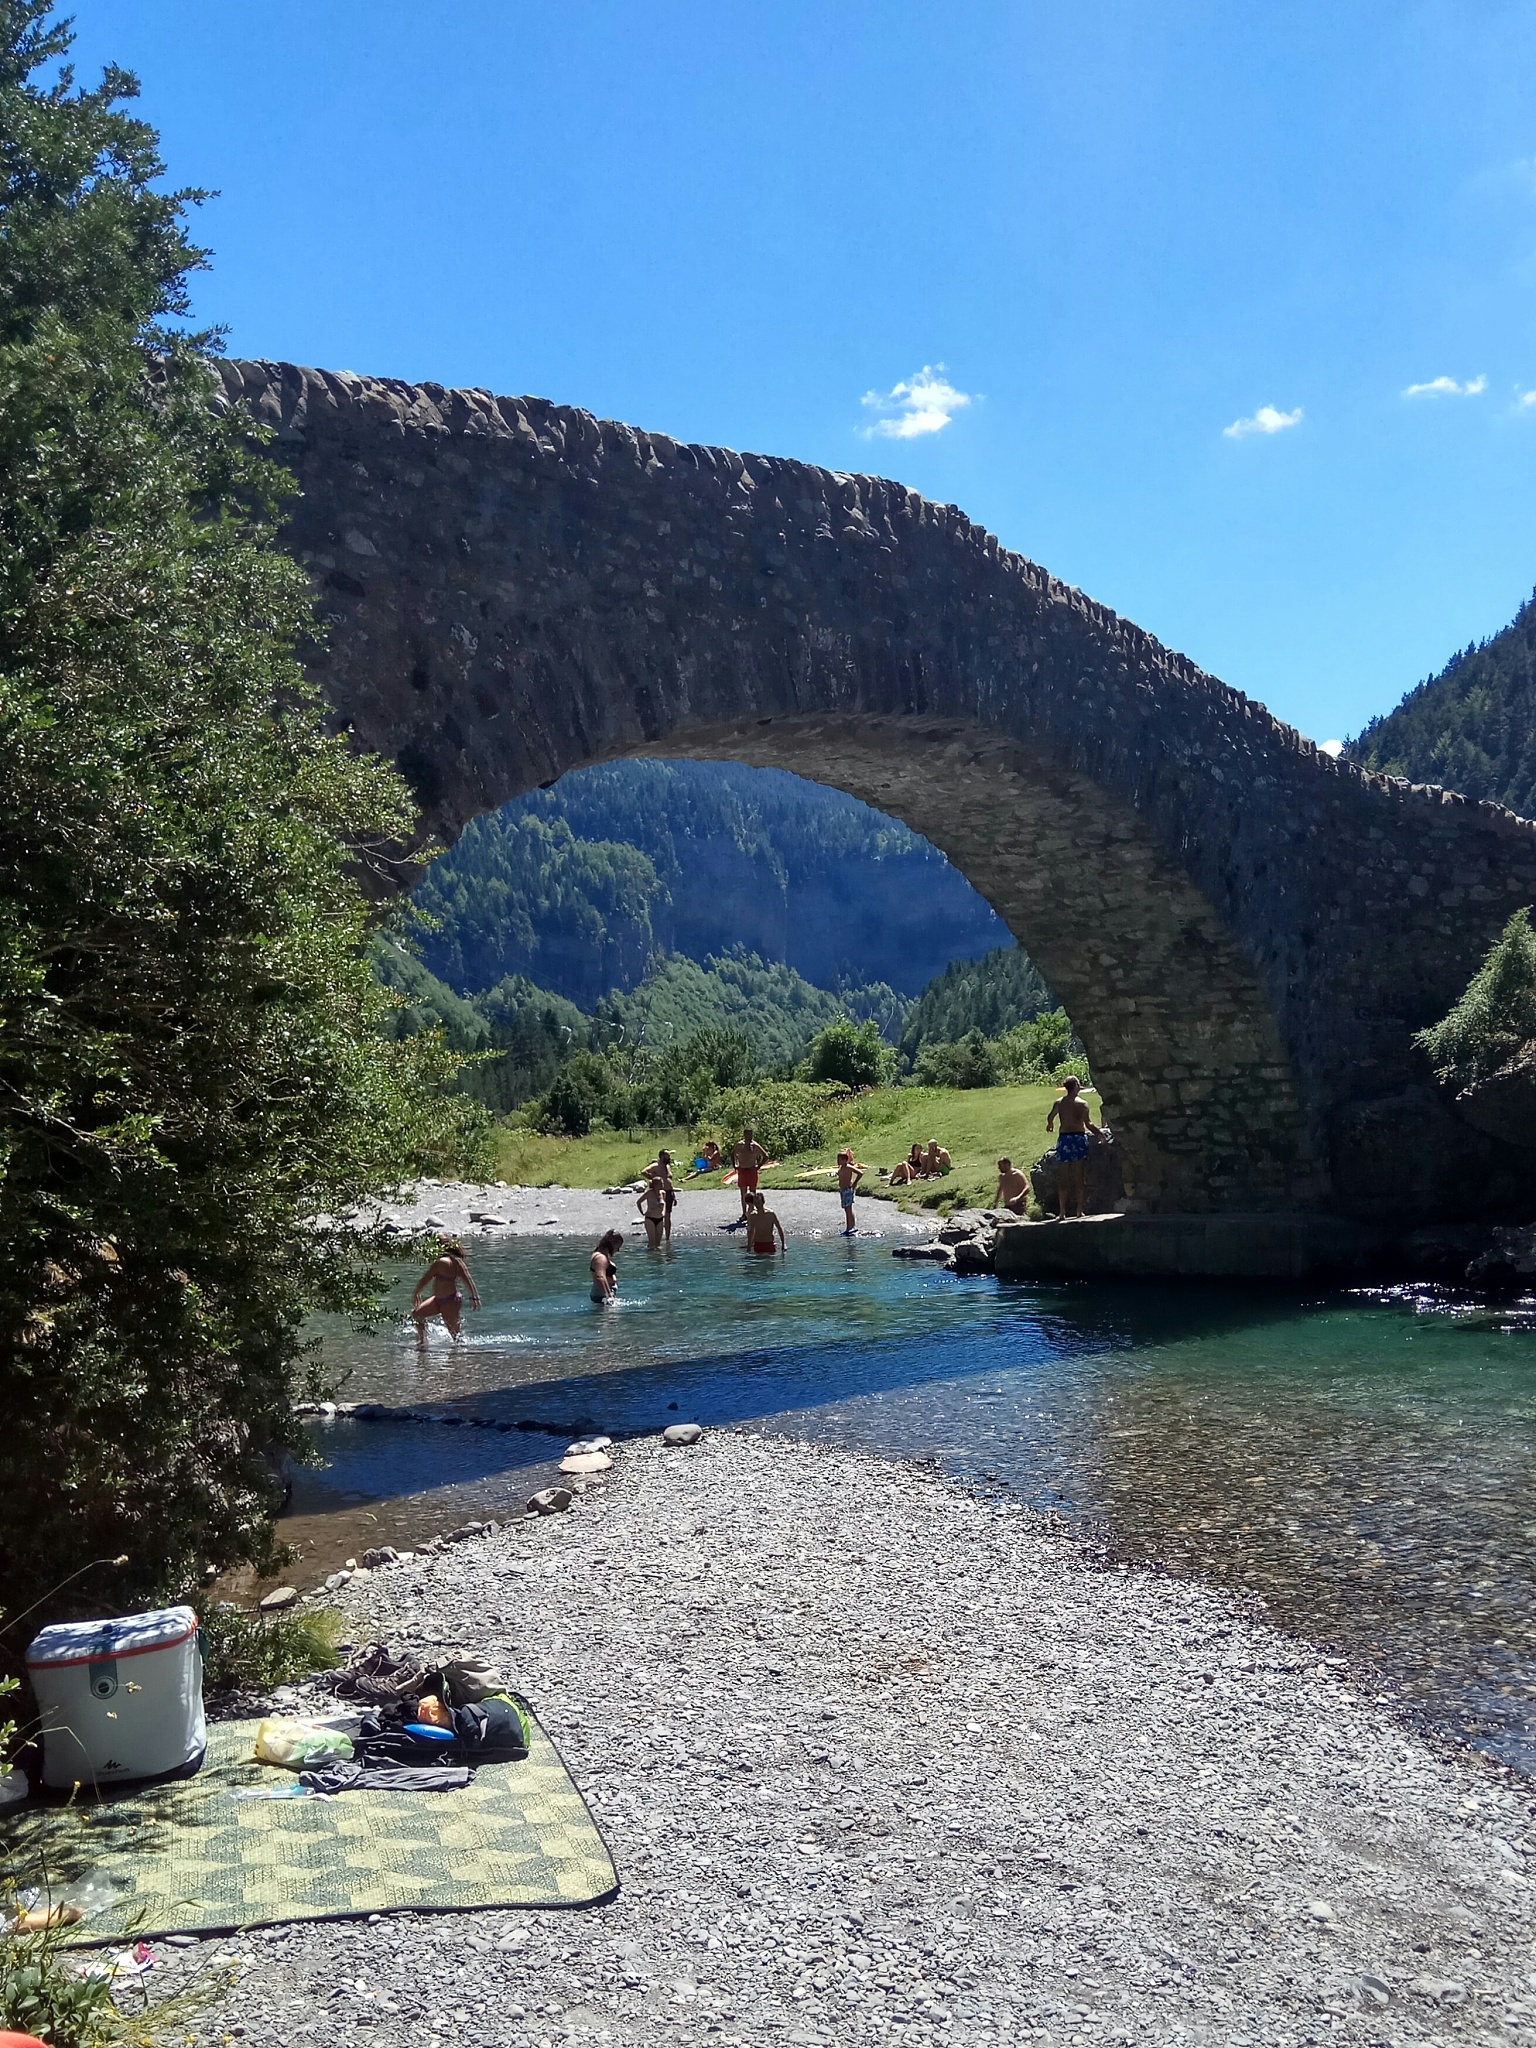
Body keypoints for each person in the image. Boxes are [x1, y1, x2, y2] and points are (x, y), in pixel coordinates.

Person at [1045, 1077, 1105, 1220]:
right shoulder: (1082, 1104)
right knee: (1079, 1177)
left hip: (1064, 1139)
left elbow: (1050, 1116)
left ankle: (1062, 1213)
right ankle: (1079, 1210)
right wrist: (1100, 1133)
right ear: (1076, 1086)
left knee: (1064, 1178)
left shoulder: (1059, 1103)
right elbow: (1088, 1124)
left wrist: (1050, 1124)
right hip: (1078, 1139)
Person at [412, 1241, 481, 1345]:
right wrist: (474, 1297)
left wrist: (416, 1293)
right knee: (418, 1314)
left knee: (455, 1336)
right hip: (439, 1300)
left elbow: (425, 1279)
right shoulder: (457, 1262)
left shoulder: (441, 1262)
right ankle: (422, 1343)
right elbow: (468, 1280)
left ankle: (458, 1357)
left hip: (449, 1301)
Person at [727, 1126, 768, 1224]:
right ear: (744, 1134)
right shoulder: (740, 1145)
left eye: (750, 1134)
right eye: (747, 1134)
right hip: (742, 1170)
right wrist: (735, 1165)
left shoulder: (755, 1145)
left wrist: (758, 1166)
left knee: (753, 1192)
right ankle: (744, 1213)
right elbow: (732, 1154)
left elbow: (765, 1155)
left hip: (752, 1170)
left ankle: (752, 1212)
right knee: (743, 1193)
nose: (749, 1136)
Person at [643, 1148, 677, 1241]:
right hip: (660, 1192)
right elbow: (644, 1172)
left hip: (669, 1192)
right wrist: (654, 1179)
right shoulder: (655, 1165)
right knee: (660, 1213)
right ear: (662, 1156)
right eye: (667, 1155)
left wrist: (673, 1195)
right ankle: (656, 1235)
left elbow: (670, 1180)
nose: (669, 1157)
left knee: (668, 1215)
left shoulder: (667, 1166)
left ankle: (667, 1238)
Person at [744, 1190, 786, 1256]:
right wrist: (749, 1246)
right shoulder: (753, 1215)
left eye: (759, 1202)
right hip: (758, 1244)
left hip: (769, 1244)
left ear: (763, 1202)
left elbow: (779, 1228)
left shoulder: (770, 1214)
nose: (757, 1204)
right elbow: (751, 1231)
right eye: (756, 1202)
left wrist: (783, 1244)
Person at [636, 1169, 668, 1250]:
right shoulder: (649, 1193)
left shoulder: (663, 1193)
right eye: (661, 1184)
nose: (663, 1185)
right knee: (652, 1243)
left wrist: (664, 1212)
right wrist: (642, 1212)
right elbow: (639, 1202)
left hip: (660, 1218)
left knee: (658, 1243)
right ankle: (650, 1258)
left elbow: (664, 1203)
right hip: (650, 1218)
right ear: (656, 1184)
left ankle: (657, 1259)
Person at [836, 1148, 864, 1235]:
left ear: (845, 1160)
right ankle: (849, 1227)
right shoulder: (841, 1168)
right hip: (842, 1190)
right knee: (846, 1208)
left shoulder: (849, 1167)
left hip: (848, 1189)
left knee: (848, 1209)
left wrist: (855, 1183)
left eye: (840, 1160)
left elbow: (860, 1173)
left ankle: (851, 1227)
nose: (838, 1161)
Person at [590, 1229, 622, 1302]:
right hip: (601, 1295)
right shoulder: (600, 1258)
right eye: (618, 1247)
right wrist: (608, 1296)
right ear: (613, 1243)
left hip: (603, 1294)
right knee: (607, 1313)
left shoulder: (602, 1255)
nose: (618, 1250)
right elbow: (600, 1277)